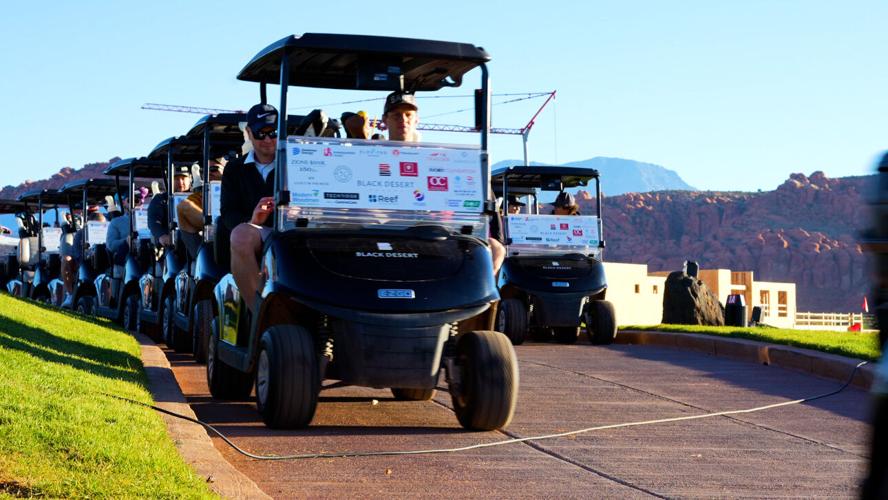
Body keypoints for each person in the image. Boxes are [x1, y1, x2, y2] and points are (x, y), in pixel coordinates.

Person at [382, 91, 505, 274]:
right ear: (385, 120)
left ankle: (478, 300)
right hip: (391, 231)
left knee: (496, 248)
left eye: (408, 115)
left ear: (416, 120)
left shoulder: (439, 159)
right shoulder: (373, 158)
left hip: (437, 233)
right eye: (396, 115)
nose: (403, 120)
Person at [221, 103, 278, 313]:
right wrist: (253, 220)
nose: (267, 139)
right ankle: (260, 315)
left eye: (273, 132)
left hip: (296, 230)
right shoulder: (235, 169)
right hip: (260, 231)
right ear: (249, 133)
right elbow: (228, 213)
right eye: (260, 133)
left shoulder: (298, 162)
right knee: (241, 236)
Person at [178, 157, 227, 259]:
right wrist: (214, 225)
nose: (209, 173)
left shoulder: (239, 186)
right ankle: (202, 258)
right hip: (214, 239)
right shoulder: (201, 194)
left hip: (240, 236)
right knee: (181, 209)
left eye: (213, 169)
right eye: (205, 170)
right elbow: (184, 206)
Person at [147, 166, 191, 247]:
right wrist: (162, 235)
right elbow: (153, 220)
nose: (181, 182)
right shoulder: (161, 199)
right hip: (173, 241)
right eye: (176, 179)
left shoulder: (198, 196)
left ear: (190, 179)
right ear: (169, 180)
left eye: (183, 178)